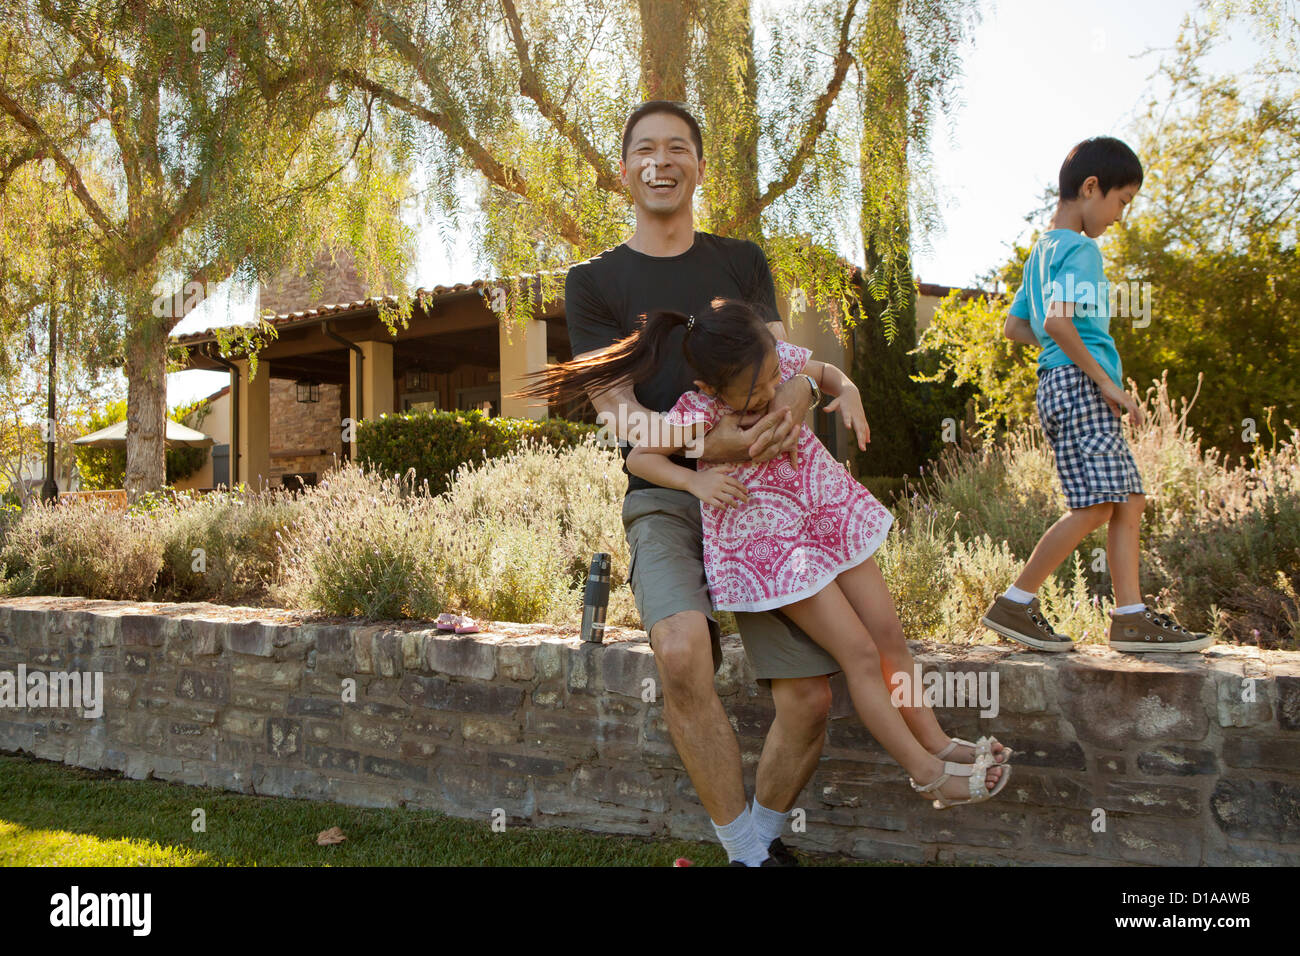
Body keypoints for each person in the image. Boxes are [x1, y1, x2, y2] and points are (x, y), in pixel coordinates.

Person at [522, 298, 1013, 814]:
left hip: (825, 511)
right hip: (772, 547)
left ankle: (937, 743)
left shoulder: (775, 361)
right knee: (861, 654)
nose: (772, 391)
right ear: (711, 388)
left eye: (775, 377)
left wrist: (848, 391)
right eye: (756, 392)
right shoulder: (698, 413)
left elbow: (826, 374)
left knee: (889, 636)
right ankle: (929, 776)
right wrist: (695, 481)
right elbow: (641, 457)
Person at [512, 100, 833, 866]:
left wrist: (804, 393)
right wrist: (711, 442)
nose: (662, 161)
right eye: (646, 150)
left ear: (698, 165)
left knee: (810, 696)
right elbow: (622, 416)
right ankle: (749, 855)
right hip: (664, 494)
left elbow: (781, 370)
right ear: (624, 170)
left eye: (678, 147)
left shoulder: (742, 261)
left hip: (761, 491)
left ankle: (760, 842)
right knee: (682, 652)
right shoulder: (593, 283)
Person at [982, 136, 1211, 653]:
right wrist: (1105, 381)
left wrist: (1061, 350)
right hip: (1081, 386)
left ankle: (1130, 616)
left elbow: (1017, 327)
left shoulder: (1041, 253)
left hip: (1060, 384)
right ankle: (1015, 602)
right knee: (1098, 505)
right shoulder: (1082, 249)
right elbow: (1058, 322)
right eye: (1122, 201)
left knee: (1128, 499)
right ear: (1091, 187)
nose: (1121, 216)